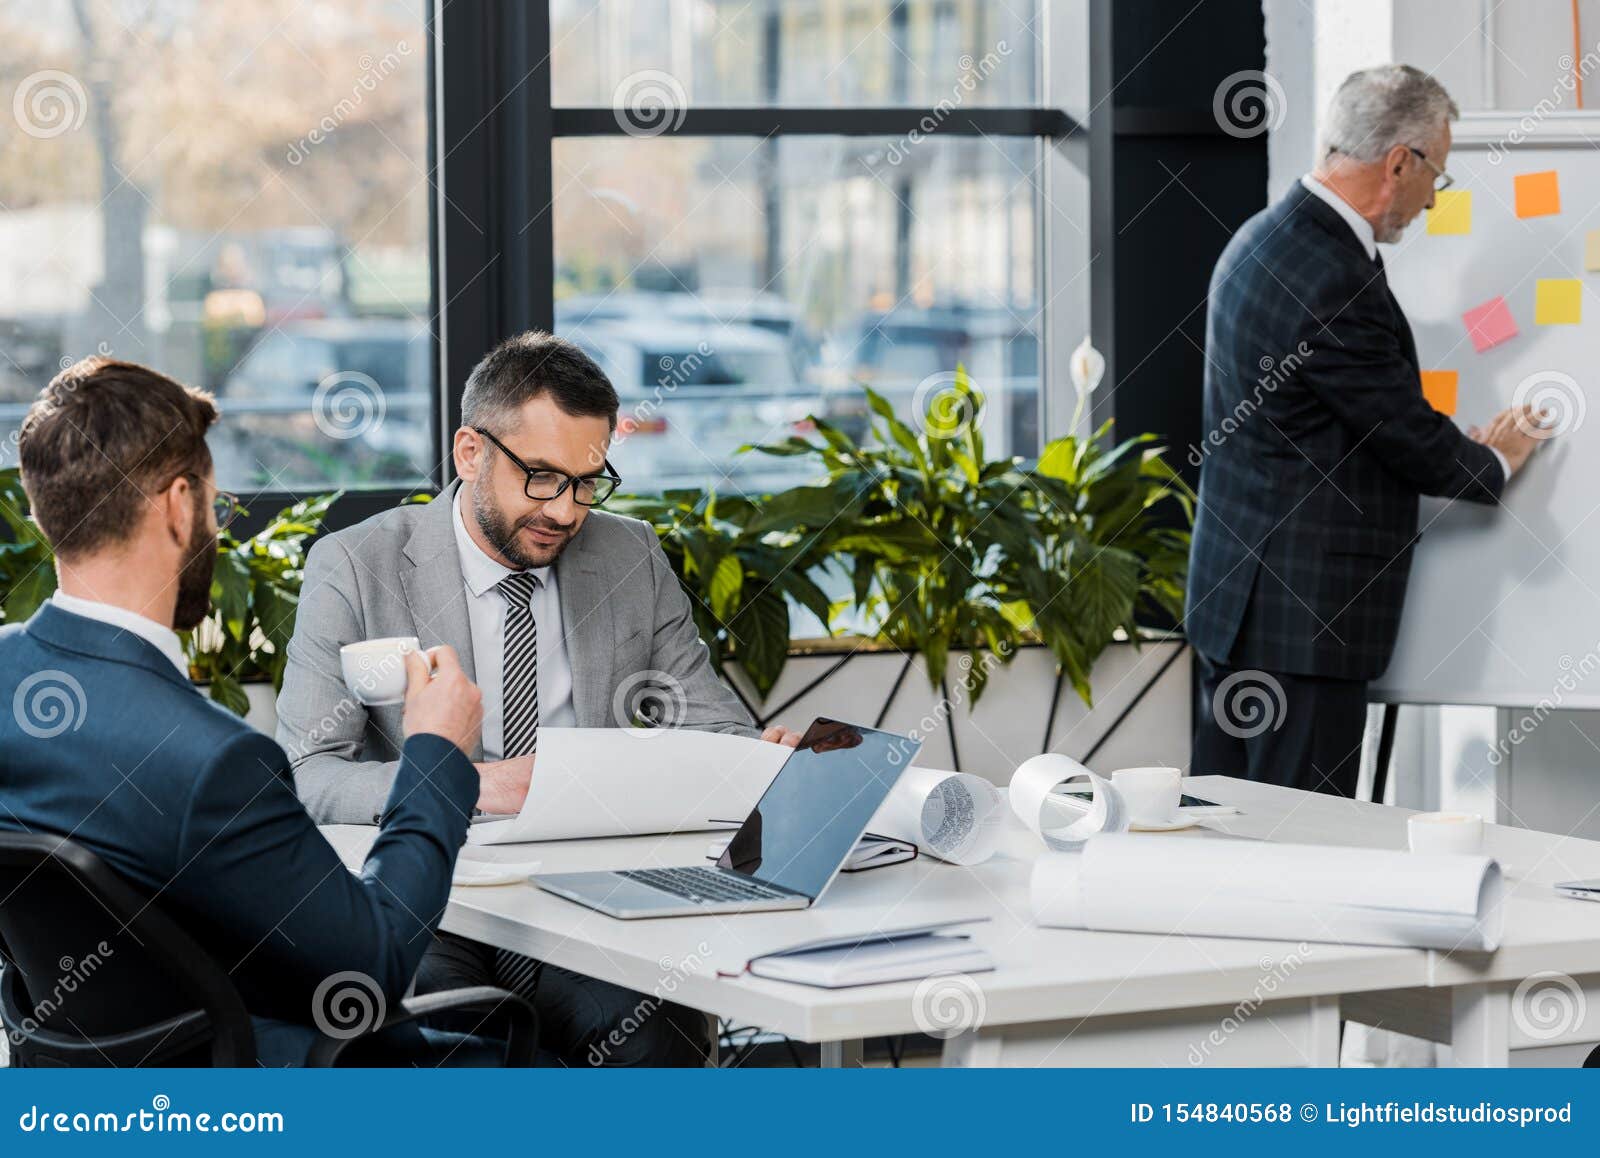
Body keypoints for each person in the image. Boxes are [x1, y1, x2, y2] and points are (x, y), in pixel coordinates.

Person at [276, 330, 799, 1066]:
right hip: (436, 905)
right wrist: (469, 785)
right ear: (470, 453)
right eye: (544, 478)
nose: (567, 511)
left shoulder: (628, 554)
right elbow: (309, 774)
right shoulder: (356, 566)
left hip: (587, 907)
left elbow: (709, 724)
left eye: (588, 482)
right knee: (454, 1050)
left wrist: (758, 758)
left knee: (657, 1037)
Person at [0, 357, 490, 1066]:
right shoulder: (214, 760)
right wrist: (437, 752)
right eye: (213, 504)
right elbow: (373, 968)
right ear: (175, 504)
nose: (214, 525)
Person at [1186, 64, 1544, 797]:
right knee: (1302, 845)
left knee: (1226, 835)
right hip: (1301, 628)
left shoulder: (1263, 237)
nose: (1430, 204)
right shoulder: (1330, 272)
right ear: (1400, 163)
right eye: (1436, 179)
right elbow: (1404, 434)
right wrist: (1493, 460)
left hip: (1244, 608)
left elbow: (1342, 416)